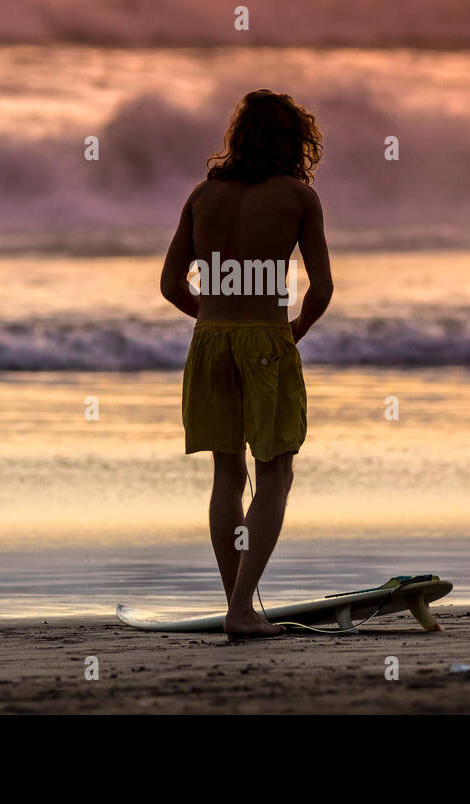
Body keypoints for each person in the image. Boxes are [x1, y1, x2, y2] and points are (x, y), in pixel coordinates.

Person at [160, 89, 334, 639]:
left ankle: (238, 605)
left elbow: (169, 285)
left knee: (227, 475)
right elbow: (321, 290)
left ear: (237, 137)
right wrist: (294, 333)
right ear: (293, 141)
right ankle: (240, 609)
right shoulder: (297, 198)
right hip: (265, 341)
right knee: (276, 471)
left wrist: (210, 316)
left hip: (210, 340)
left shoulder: (201, 197)